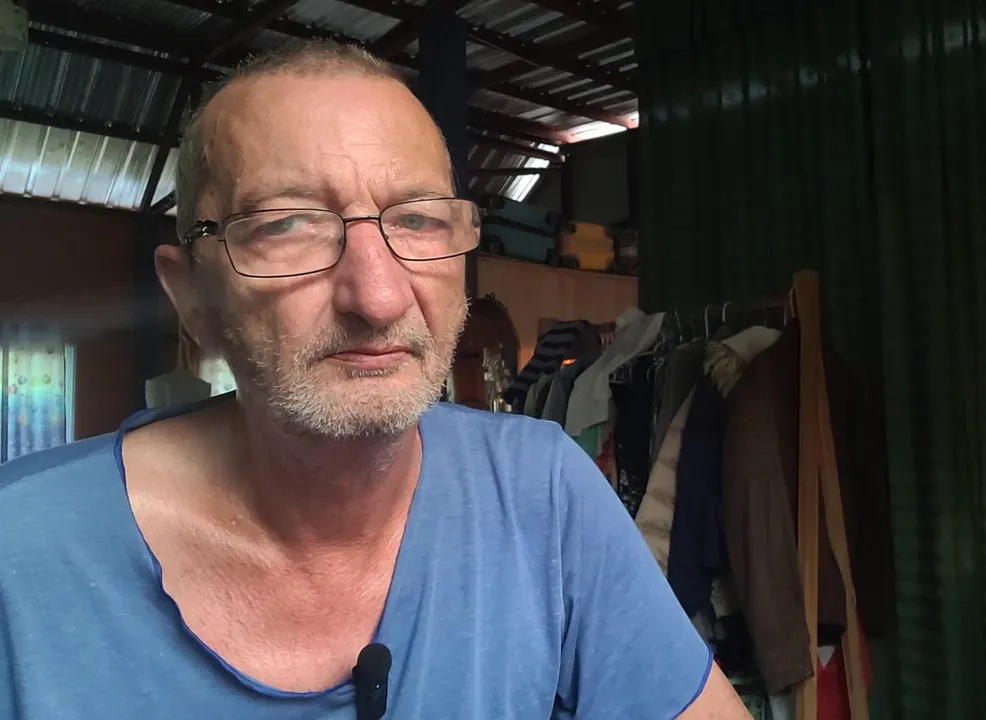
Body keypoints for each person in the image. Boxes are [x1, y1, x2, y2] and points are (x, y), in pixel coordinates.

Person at [0, 41, 751, 719]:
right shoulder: (21, 548)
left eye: (418, 221)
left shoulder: (541, 494)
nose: (380, 297)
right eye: (288, 224)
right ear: (191, 295)